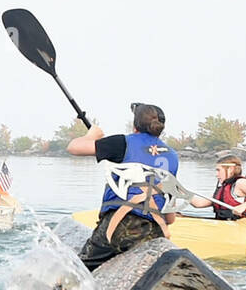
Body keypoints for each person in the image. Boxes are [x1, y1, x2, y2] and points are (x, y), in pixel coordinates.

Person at [67, 103, 179, 271]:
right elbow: (170, 218)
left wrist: (91, 135)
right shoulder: (173, 156)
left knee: (79, 270)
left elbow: (74, 147)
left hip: (117, 227)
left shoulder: (121, 143)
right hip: (154, 232)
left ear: (135, 126)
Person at [187, 155, 246, 219]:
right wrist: (181, 192)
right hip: (225, 227)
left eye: (218, 170)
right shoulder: (222, 189)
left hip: (243, 229)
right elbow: (199, 204)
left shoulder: (241, 183)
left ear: (230, 169)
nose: (216, 175)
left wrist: (244, 206)